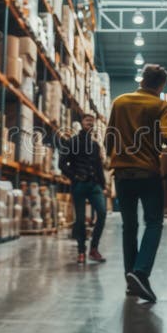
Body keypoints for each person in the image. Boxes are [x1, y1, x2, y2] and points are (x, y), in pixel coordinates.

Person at [105, 64, 167, 303]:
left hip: (122, 174)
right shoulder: (161, 106)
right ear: (161, 86)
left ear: (142, 80)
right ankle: (140, 272)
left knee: (129, 227)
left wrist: (116, 160)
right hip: (147, 172)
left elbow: (109, 137)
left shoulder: (119, 102)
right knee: (153, 223)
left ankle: (131, 282)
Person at [59, 113, 108, 264]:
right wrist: (74, 177)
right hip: (79, 185)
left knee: (102, 213)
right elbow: (62, 164)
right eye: (87, 121)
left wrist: (103, 185)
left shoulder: (95, 145)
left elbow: (99, 167)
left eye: (92, 122)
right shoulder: (71, 142)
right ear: (81, 122)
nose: (90, 123)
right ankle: (81, 251)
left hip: (94, 186)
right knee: (80, 219)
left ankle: (94, 249)